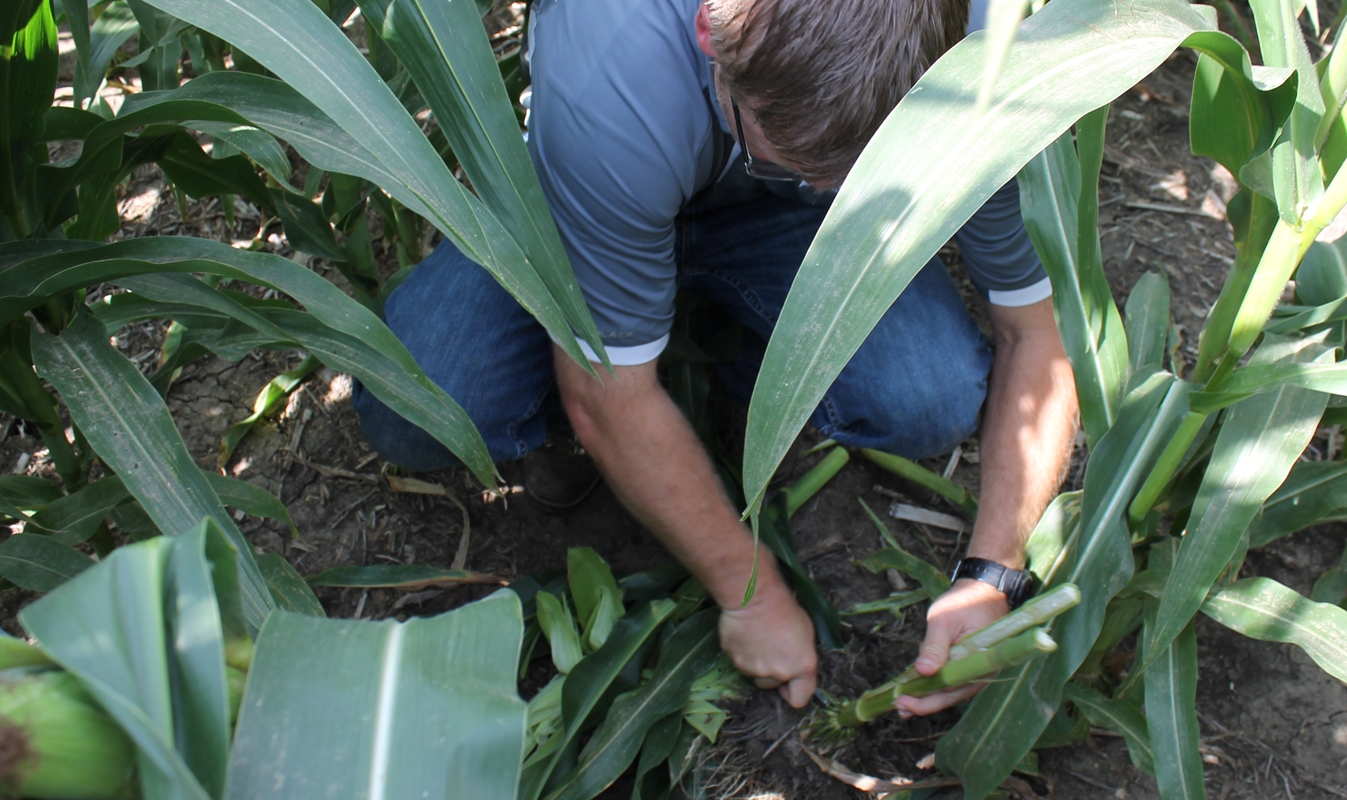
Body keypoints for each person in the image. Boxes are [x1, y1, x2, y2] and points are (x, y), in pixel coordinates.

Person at [355, 0, 1078, 716]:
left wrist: (993, 575)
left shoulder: (981, 59)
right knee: (420, 404)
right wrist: (749, 590)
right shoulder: (613, 56)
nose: (829, 183)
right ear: (711, 31)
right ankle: (623, 355)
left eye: (861, 164)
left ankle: (708, 352)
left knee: (932, 393)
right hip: (605, 170)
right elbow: (606, 395)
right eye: (798, 154)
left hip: (778, 218)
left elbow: (1035, 339)